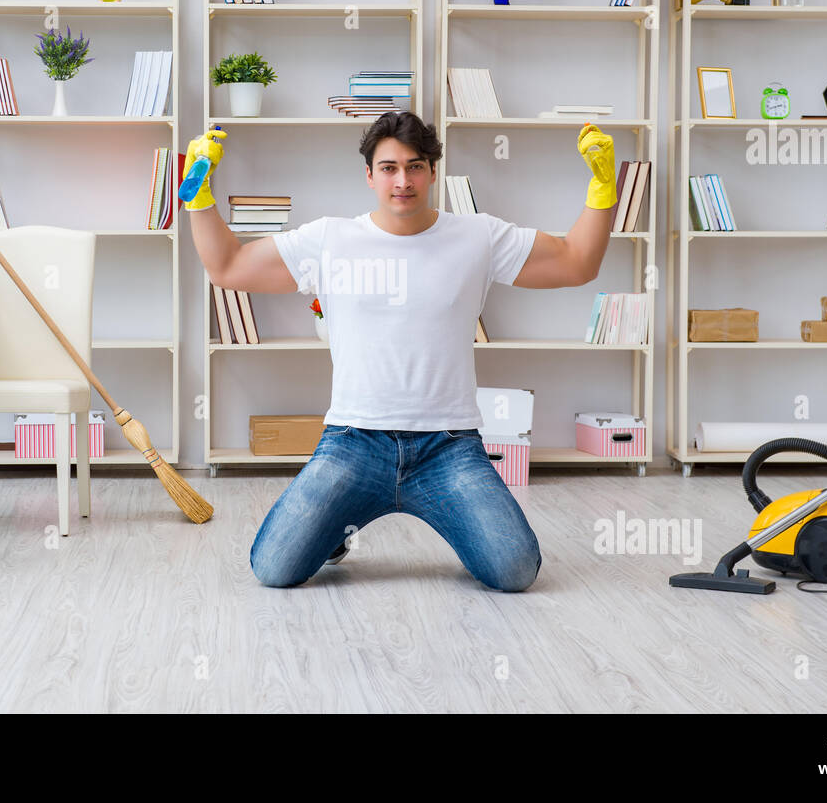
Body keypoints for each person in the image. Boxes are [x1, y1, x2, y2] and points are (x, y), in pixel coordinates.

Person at [184, 111, 615, 591]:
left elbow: (578, 263)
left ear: (433, 172)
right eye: (388, 168)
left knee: (514, 571)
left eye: (414, 166)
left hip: (447, 447)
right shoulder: (331, 239)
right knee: (273, 569)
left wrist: (602, 188)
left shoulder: (478, 237)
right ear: (369, 176)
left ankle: (432, 520)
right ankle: (334, 531)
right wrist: (199, 197)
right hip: (354, 441)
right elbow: (228, 265)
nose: (402, 180)